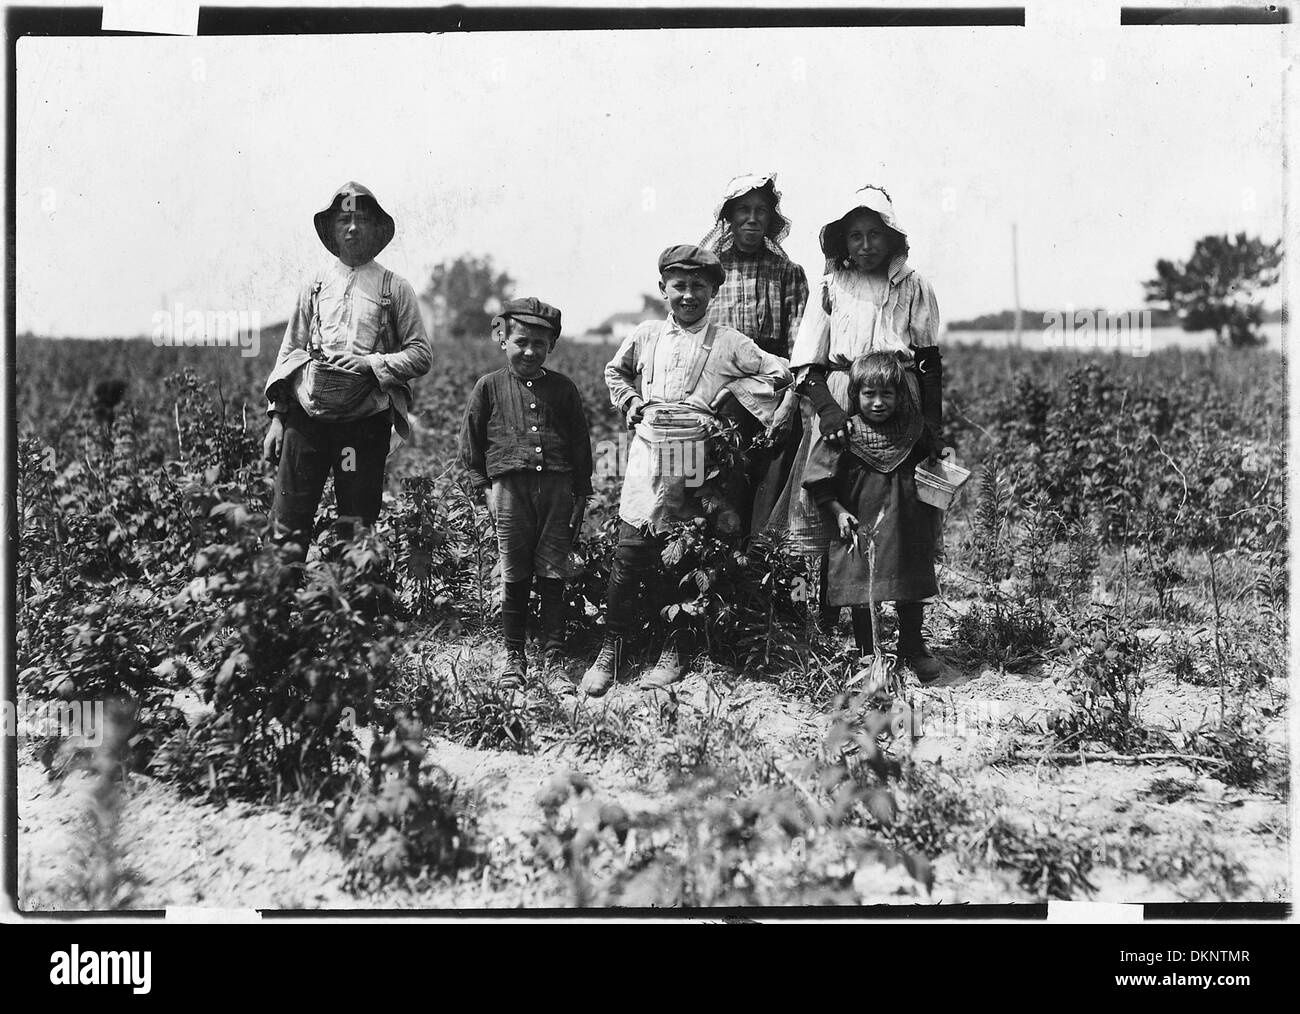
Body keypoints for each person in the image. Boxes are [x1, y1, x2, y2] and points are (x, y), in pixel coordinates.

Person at [580, 245, 792, 697]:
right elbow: (614, 372)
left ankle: (673, 647)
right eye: (679, 286)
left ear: (714, 291)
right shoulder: (646, 334)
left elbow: (780, 373)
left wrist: (734, 390)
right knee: (632, 547)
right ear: (663, 289)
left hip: (697, 454)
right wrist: (631, 402)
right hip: (647, 448)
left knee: (684, 548)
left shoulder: (730, 341)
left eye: (699, 286)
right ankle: (613, 645)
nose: (689, 295)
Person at [768, 185, 943, 638]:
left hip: (897, 397)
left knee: (902, 509)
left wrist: (931, 425)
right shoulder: (831, 286)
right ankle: (834, 624)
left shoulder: (913, 284)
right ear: (842, 242)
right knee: (839, 500)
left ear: (892, 239)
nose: (865, 246)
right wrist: (828, 409)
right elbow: (808, 360)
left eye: (874, 235)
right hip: (846, 398)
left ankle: (909, 636)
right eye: (855, 237)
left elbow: (926, 359)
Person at [262, 182, 432, 554]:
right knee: (288, 521)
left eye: (361, 220)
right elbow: (290, 351)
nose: (353, 228)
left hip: (363, 424)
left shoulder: (395, 287)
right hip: (308, 419)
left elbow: (421, 354)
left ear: (376, 229)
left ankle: (353, 608)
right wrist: (277, 418)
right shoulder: (314, 285)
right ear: (332, 230)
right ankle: (275, 608)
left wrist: (370, 364)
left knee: (356, 525)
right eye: (344, 220)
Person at [457, 297, 593, 690]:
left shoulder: (563, 389)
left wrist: (580, 493)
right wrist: (485, 489)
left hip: (557, 488)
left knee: (553, 571)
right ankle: (514, 655)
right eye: (521, 341)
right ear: (503, 339)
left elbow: (580, 443)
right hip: (509, 490)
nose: (530, 351)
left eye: (540, 343)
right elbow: (472, 444)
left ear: (552, 345)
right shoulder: (489, 387)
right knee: (514, 573)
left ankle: (553, 657)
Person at [802, 351, 944, 681]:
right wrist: (837, 513)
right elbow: (819, 482)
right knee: (862, 587)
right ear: (855, 395)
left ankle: (912, 645)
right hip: (860, 525)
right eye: (869, 394)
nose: (878, 403)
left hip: (906, 524)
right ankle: (870, 654)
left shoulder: (914, 430)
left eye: (887, 394)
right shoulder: (843, 434)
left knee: (910, 581)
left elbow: (935, 465)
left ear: (900, 395)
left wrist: (939, 457)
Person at [699, 172, 810, 534]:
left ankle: (761, 577)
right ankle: (716, 579)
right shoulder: (707, 272)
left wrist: (789, 406)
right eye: (742, 209)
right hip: (716, 397)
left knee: (770, 487)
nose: (752, 218)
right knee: (716, 487)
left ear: (771, 219)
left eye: (760, 211)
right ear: (728, 217)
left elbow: (801, 351)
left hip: (772, 394)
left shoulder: (787, 273)